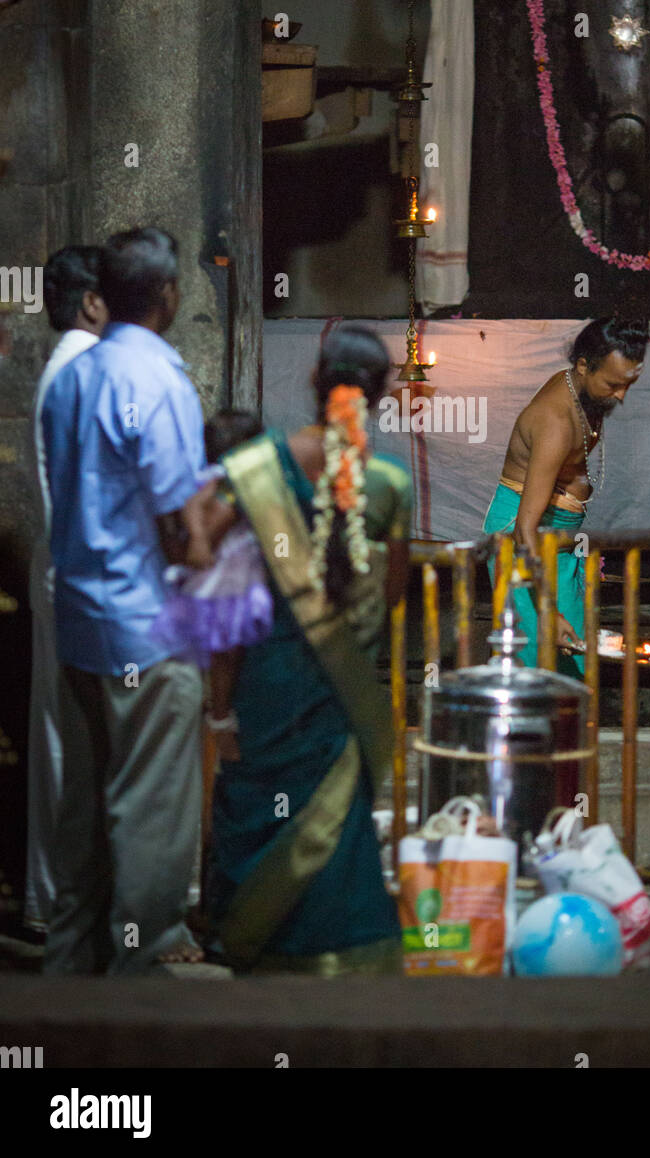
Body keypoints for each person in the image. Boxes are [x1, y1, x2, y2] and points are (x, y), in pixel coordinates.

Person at [204, 324, 412, 974]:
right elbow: (394, 595)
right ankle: (338, 976)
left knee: (259, 811)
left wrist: (217, 711)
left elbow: (221, 598)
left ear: (314, 383)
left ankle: (252, 954)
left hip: (262, 683)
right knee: (336, 826)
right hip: (338, 691)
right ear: (381, 394)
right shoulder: (388, 486)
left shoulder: (253, 470)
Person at [41, 226, 207, 974]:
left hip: (81, 625)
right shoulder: (157, 381)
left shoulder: (72, 374)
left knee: (85, 822)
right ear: (168, 297)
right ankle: (133, 995)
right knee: (149, 824)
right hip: (145, 628)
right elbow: (179, 521)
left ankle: (65, 989)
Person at [482, 316, 650, 674]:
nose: (621, 395)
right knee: (533, 667)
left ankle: (565, 730)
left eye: (628, 383)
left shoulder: (584, 392)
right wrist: (549, 610)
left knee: (573, 661)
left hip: (558, 543)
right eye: (612, 384)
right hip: (524, 544)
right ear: (583, 365)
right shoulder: (555, 422)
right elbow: (525, 529)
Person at [24, 246, 108, 936]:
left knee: (67, 739)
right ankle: (63, 904)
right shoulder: (81, 370)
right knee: (73, 744)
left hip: (68, 568)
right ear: (90, 303)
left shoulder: (69, 367)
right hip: (81, 575)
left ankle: (59, 898)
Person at [150, 408, 274, 740]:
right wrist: (202, 541)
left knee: (222, 653)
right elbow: (196, 513)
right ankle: (219, 717)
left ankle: (214, 714)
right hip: (223, 580)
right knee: (225, 652)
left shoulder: (221, 478)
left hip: (228, 576)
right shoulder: (224, 480)